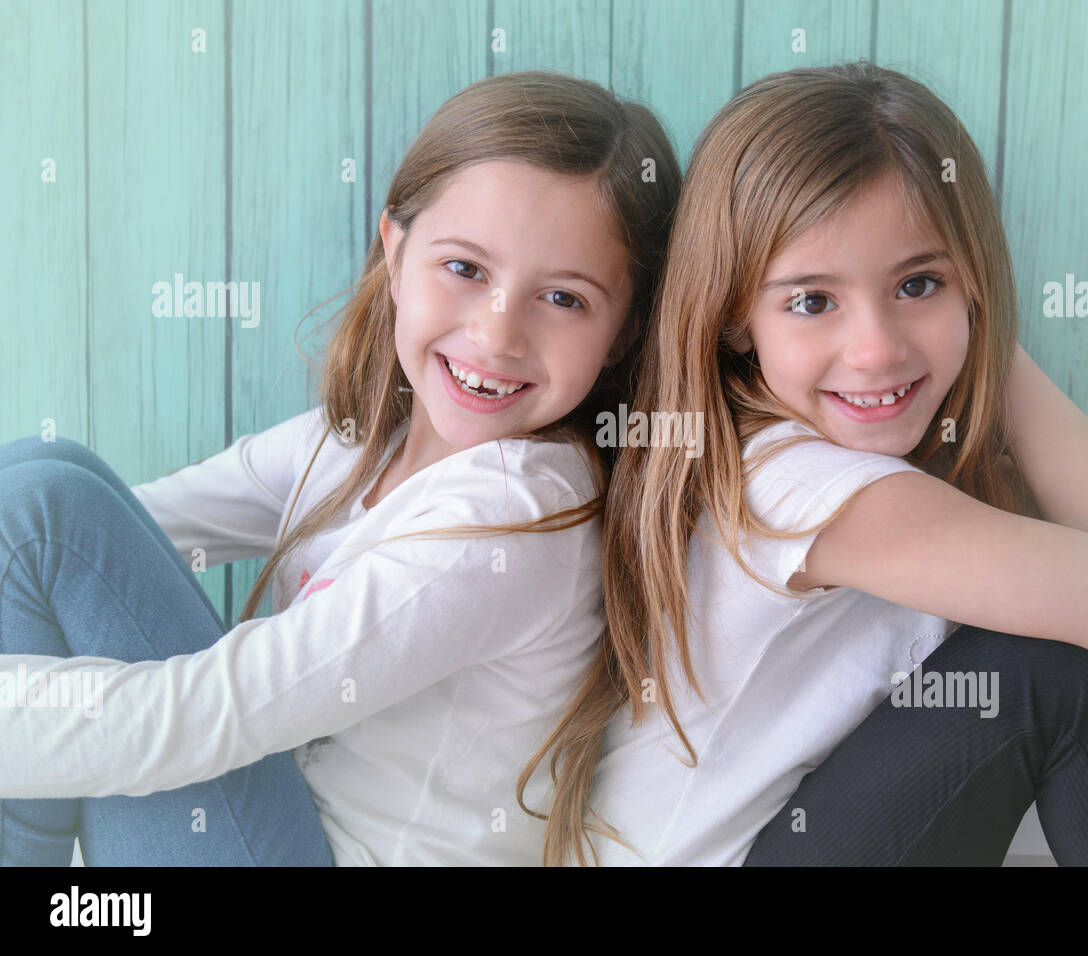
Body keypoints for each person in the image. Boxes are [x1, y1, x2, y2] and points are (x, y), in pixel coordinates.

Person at [522, 61, 1088, 866]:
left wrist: (980, 337)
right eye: (812, 301)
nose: (877, 349)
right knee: (1050, 663)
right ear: (735, 319)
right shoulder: (796, 483)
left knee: (1074, 643)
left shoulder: (876, 468)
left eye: (919, 283)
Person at [0, 70, 680, 866]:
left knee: (43, 500)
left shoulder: (519, 512)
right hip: (261, 833)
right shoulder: (357, 442)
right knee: (43, 484)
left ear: (624, 333)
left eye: (563, 299)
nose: (498, 337)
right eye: (465, 269)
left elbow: (204, 715)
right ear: (395, 255)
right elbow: (99, 542)